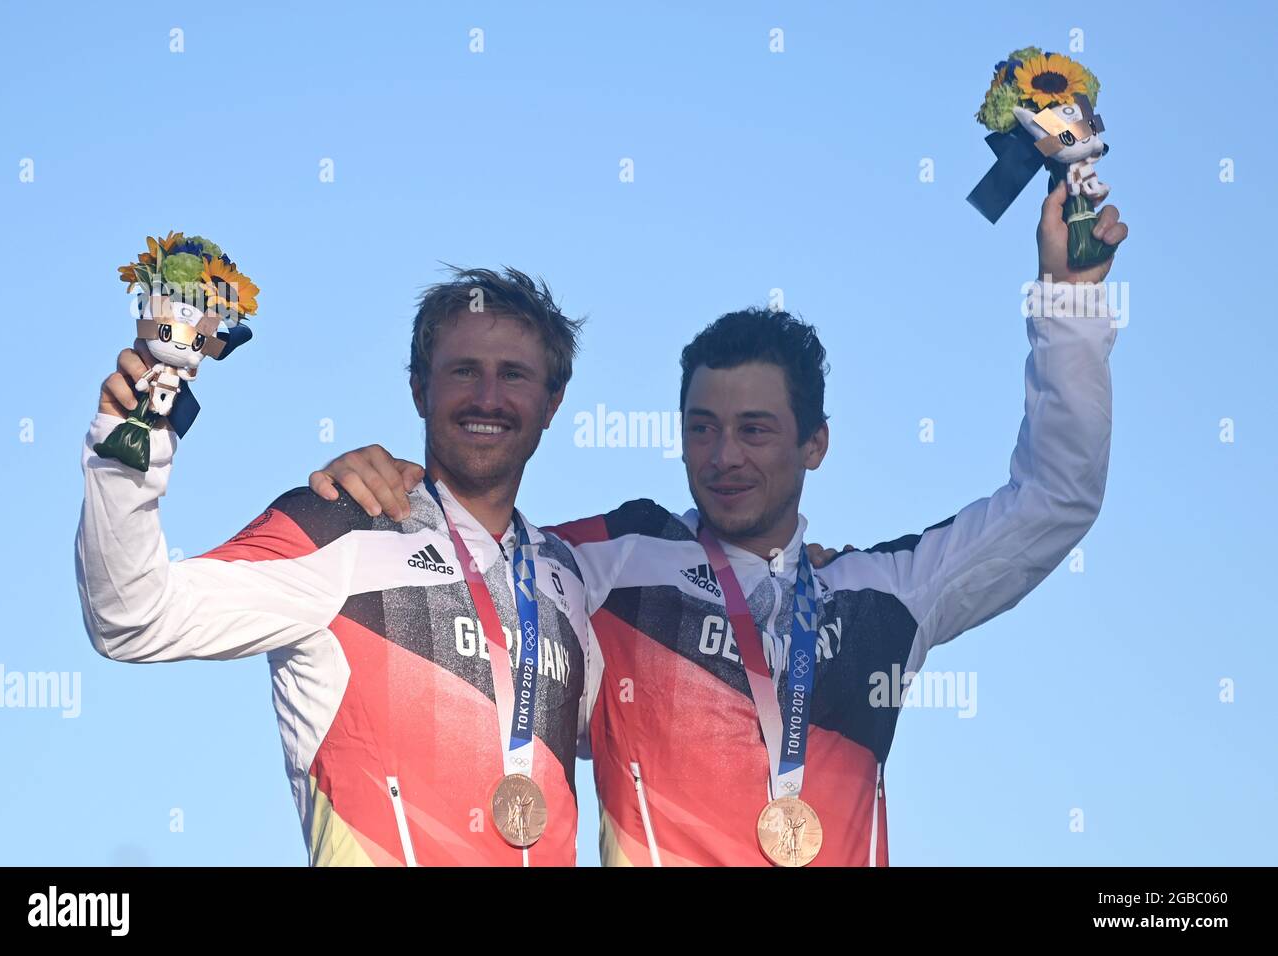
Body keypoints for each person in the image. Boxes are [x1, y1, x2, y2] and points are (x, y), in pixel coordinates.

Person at [311, 181, 1128, 865]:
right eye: (701, 428)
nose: (724, 456)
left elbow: (1055, 498)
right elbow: (477, 551)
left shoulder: (886, 593)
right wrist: (382, 481)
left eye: (755, 430)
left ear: (816, 444)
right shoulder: (608, 565)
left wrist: (1072, 304)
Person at [76, 267, 592, 866]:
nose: (487, 398)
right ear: (418, 389)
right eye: (464, 371)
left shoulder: (577, 584)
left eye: (514, 374)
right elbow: (132, 616)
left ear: (553, 403)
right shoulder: (339, 524)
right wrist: (129, 445)